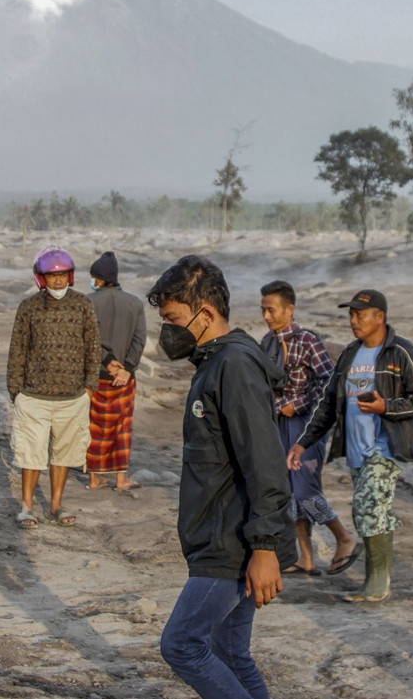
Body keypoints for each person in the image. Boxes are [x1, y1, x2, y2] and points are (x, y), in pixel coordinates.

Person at [148, 255, 296, 699]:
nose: (168, 330)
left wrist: (265, 547)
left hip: (233, 542)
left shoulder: (233, 365)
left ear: (205, 313)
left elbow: (266, 462)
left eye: (173, 319)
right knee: (230, 654)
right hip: (225, 534)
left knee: (182, 645)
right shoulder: (216, 362)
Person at [288, 289, 413, 603]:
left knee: (369, 506)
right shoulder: (350, 354)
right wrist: (303, 443)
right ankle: (376, 579)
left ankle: (377, 583)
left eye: (360, 314)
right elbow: (327, 405)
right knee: (371, 510)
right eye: (351, 315)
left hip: (387, 447)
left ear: (379, 317)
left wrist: (386, 408)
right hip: (356, 449)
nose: (353, 320)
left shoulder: (402, 352)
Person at [258, 281, 359, 576]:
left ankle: (344, 537)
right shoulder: (268, 342)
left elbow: (329, 382)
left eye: (271, 310)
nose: (266, 316)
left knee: (304, 489)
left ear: (290, 309)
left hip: (306, 425)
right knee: (289, 491)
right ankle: (306, 557)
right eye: (263, 310)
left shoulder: (307, 340)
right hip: (280, 423)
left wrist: (298, 403)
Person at [7, 246, 104, 529]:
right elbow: (18, 349)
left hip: (73, 397)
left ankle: (56, 505)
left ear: (71, 276)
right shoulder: (29, 307)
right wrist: (16, 391)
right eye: (52, 276)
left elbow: (93, 347)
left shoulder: (83, 305)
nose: (58, 281)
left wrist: (89, 387)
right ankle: (27, 506)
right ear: (41, 278)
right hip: (33, 395)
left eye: (62, 275)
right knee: (31, 453)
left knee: (64, 453)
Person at [86, 251, 147, 491]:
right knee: (122, 427)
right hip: (125, 379)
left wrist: (107, 361)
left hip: (97, 377)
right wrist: (127, 368)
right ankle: (121, 479)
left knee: (95, 427)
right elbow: (140, 339)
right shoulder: (135, 303)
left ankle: (94, 477)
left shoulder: (88, 302)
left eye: (93, 277)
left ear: (100, 279)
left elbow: (88, 339)